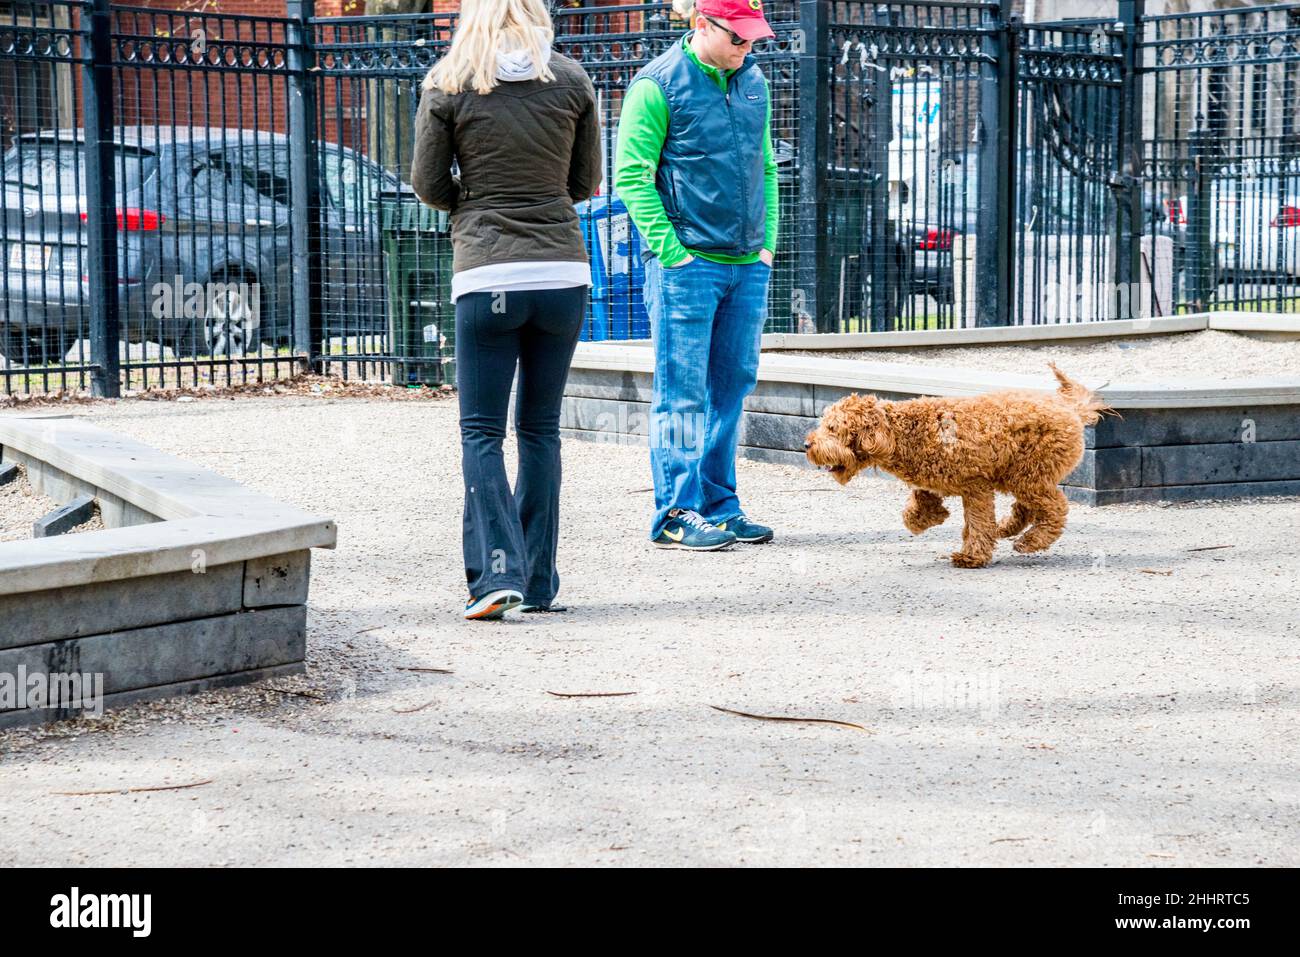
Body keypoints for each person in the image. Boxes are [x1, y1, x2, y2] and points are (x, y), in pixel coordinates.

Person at [411, 0, 601, 619]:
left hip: (488, 270)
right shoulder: (571, 80)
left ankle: (495, 576)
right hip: (561, 272)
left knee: (482, 431)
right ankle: (539, 582)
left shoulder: (448, 82)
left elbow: (429, 184)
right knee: (541, 430)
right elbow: (585, 183)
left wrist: (476, 201)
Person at [614, 0, 778, 551]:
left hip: (744, 263)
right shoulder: (656, 85)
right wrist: (672, 252)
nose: (746, 49)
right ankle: (675, 512)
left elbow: (767, 166)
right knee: (682, 392)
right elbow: (631, 177)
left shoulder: (752, 80)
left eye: (753, 40)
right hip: (688, 264)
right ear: (702, 25)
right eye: (738, 39)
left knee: (731, 388)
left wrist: (767, 247)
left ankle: (719, 504)